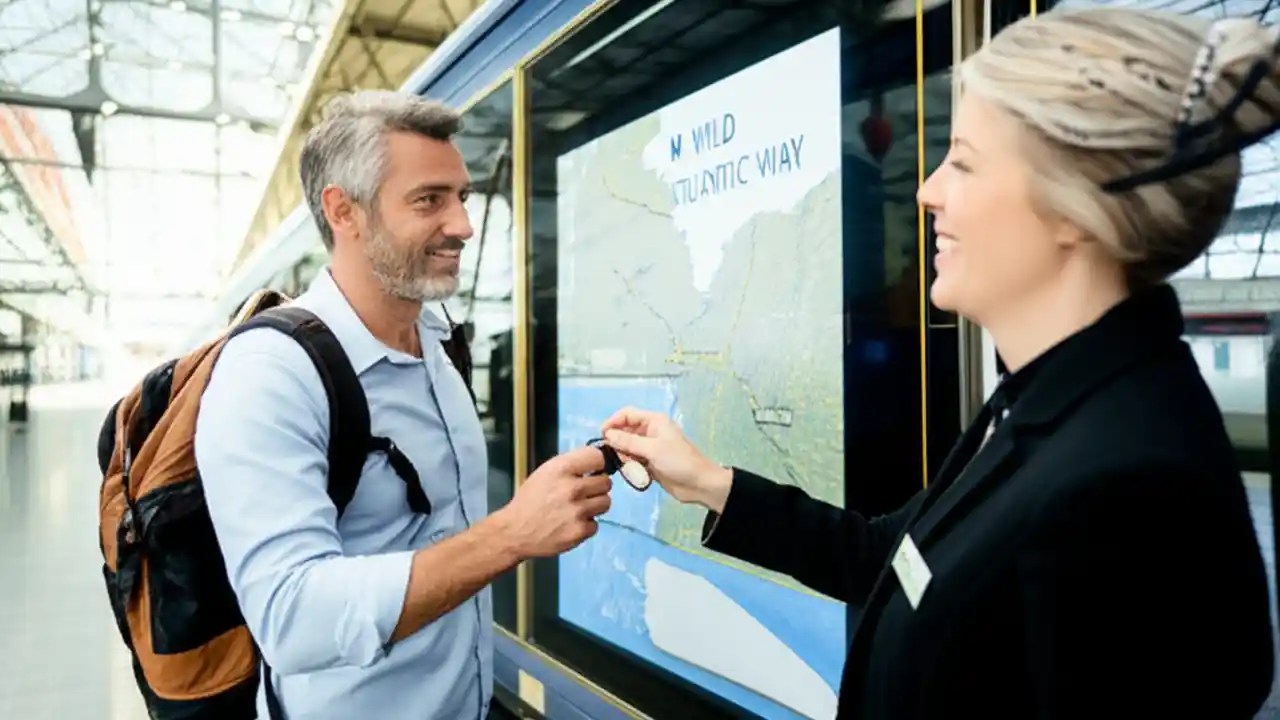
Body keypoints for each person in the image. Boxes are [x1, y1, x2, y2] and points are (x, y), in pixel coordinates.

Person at [602, 8, 1277, 718]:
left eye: (963, 160)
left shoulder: (1129, 492)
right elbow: (895, 557)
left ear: (1075, 207)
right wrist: (711, 483)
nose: (927, 191)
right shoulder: (1048, 404)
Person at [195, 90, 612, 719]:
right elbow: (290, 617)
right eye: (429, 200)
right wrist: (513, 533)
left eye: (462, 197)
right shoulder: (270, 374)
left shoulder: (440, 347)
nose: (463, 225)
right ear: (345, 211)